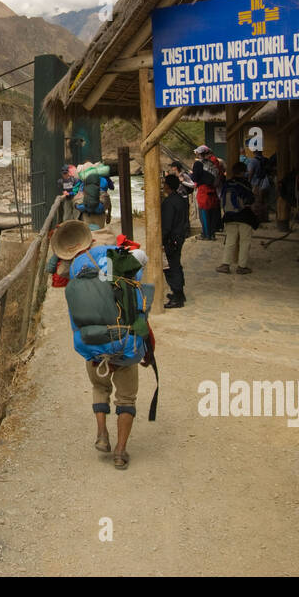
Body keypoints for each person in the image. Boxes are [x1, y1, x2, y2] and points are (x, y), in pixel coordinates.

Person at [54, 220, 152, 470]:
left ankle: (101, 433)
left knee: (100, 388)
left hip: (93, 347)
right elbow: (140, 266)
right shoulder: (111, 257)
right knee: (126, 397)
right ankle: (120, 452)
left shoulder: (75, 269)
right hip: (124, 345)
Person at [217, 162, 258, 274]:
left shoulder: (227, 184)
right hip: (245, 216)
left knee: (230, 240)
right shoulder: (246, 184)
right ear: (243, 172)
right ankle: (242, 266)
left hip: (230, 216)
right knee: (245, 241)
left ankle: (225, 264)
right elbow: (251, 200)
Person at [161, 173, 189, 307]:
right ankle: (179, 293)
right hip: (179, 236)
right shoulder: (180, 199)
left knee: (170, 267)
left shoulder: (169, 202)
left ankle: (177, 296)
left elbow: (166, 225)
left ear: (167, 186)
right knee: (175, 264)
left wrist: (161, 240)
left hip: (172, 239)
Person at [191, 146, 218, 240]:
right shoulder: (211, 163)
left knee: (203, 213)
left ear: (199, 154)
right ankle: (212, 234)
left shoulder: (198, 164)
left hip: (203, 190)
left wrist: (191, 175)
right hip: (213, 190)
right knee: (212, 213)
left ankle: (206, 235)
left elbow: (194, 178)